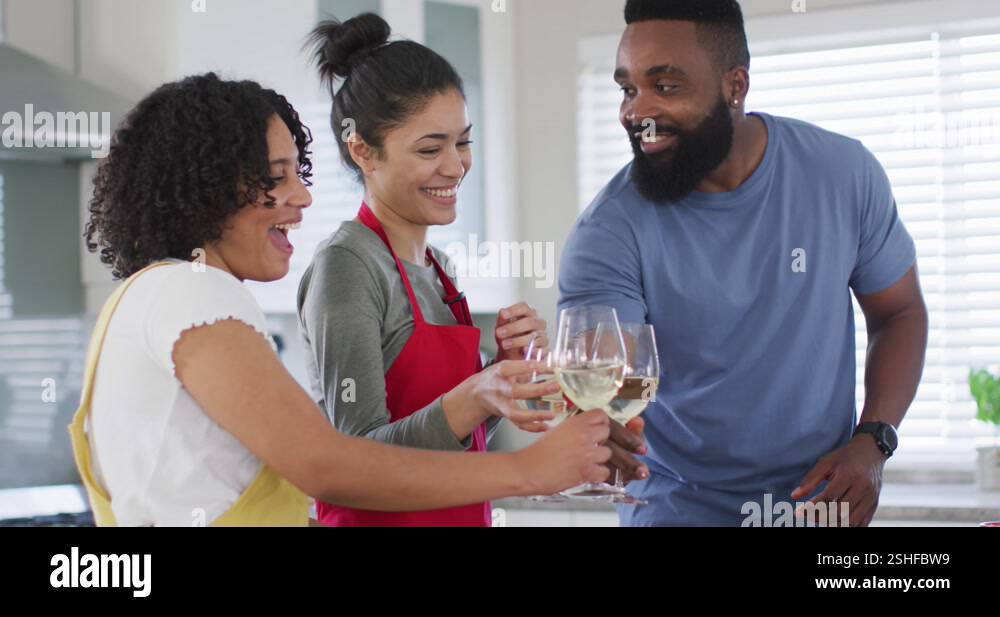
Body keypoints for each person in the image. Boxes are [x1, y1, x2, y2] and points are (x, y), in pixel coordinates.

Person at [73, 72, 613, 527]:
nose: (304, 196)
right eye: (275, 177)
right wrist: (532, 471)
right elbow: (328, 465)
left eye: (297, 174)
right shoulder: (191, 290)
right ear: (207, 183)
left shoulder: (147, 296)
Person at [559, 0, 928, 527]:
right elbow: (609, 386)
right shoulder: (608, 231)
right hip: (676, 513)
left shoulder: (843, 175)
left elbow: (900, 314)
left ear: (735, 86)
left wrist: (874, 439)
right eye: (627, 88)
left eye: (665, 87)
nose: (636, 112)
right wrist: (599, 428)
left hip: (818, 510)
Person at [299, 13, 648, 527]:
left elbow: (452, 434)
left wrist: (503, 374)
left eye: (462, 142)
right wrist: (478, 393)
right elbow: (356, 461)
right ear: (363, 151)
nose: (455, 165)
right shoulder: (348, 264)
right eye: (429, 148)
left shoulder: (439, 268)